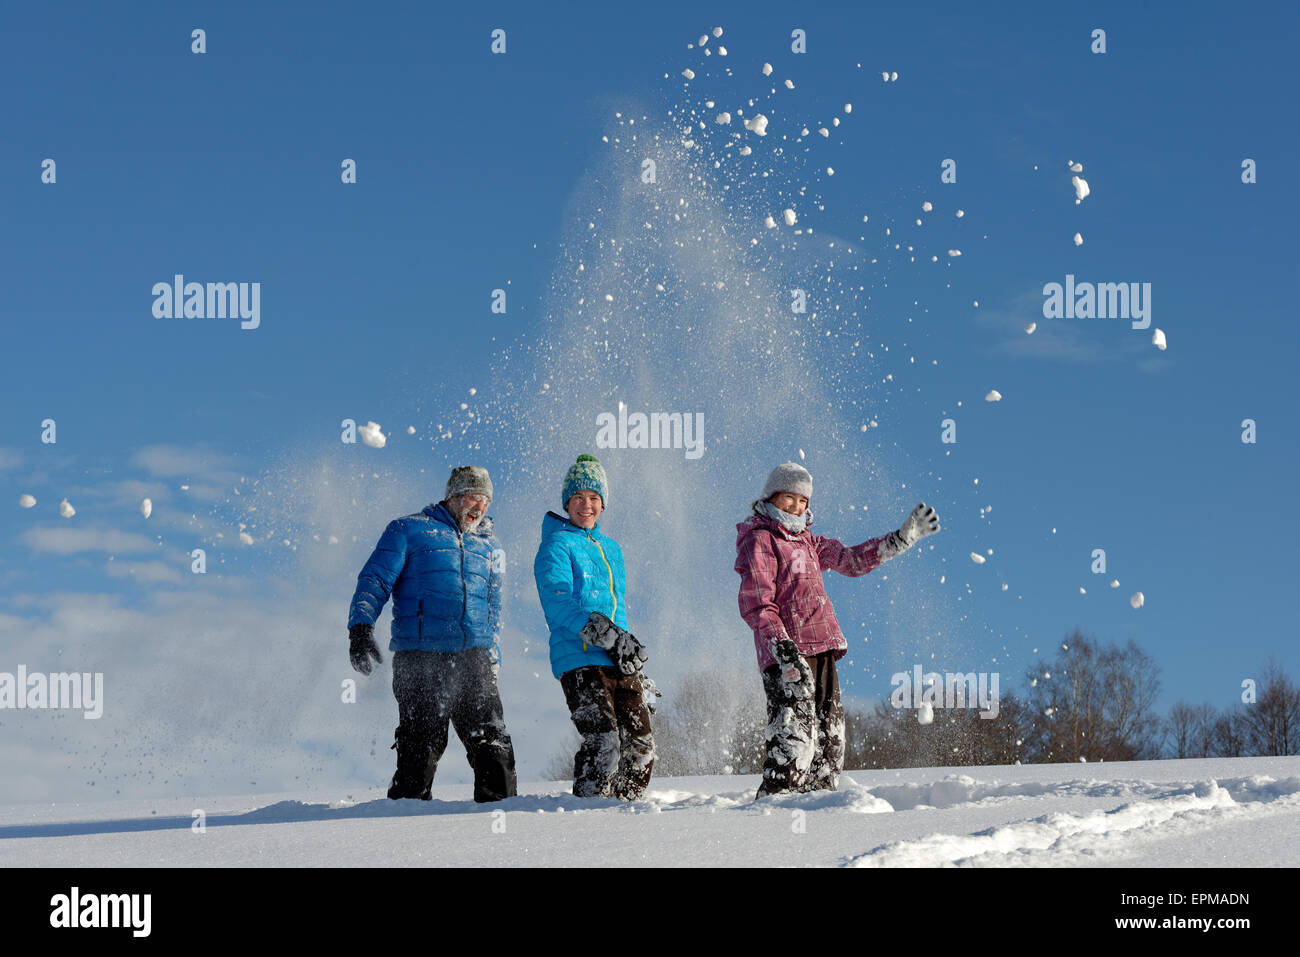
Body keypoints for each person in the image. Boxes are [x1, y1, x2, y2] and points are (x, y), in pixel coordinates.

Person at [734, 462, 941, 798]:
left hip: (823, 649)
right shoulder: (761, 539)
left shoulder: (811, 543)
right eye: (789, 498)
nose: (797, 507)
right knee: (794, 739)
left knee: (830, 740)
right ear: (772, 497)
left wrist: (900, 540)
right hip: (787, 656)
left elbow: (852, 560)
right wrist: (781, 645)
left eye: (803, 501)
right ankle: (773, 808)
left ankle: (818, 808)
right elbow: (757, 602)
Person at [346, 465, 518, 802]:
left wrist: (493, 657)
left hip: (474, 660)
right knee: (420, 749)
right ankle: (405, 832)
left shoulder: (491, 547)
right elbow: (375, 579)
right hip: (421, 656)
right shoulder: (408, 530)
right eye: (473, 497)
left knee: (493, 746)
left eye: (485, 500)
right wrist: (361, 627)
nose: (479, 506)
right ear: (452, 497)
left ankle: (501, 836)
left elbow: (494, 609)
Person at [533, 454, 657, 800]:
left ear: (602, 505)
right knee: (604, 739)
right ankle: (587, 811)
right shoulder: (556, 544)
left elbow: (616, 608)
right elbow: (557, 601)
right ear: (567, 503)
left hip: (616, 659)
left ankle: (624, 809)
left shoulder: (610, 548)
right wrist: (604, 633)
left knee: (640, 742)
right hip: (580, 658)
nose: (586, 505)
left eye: (593, 498)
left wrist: (630, 653)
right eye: (578, 498)